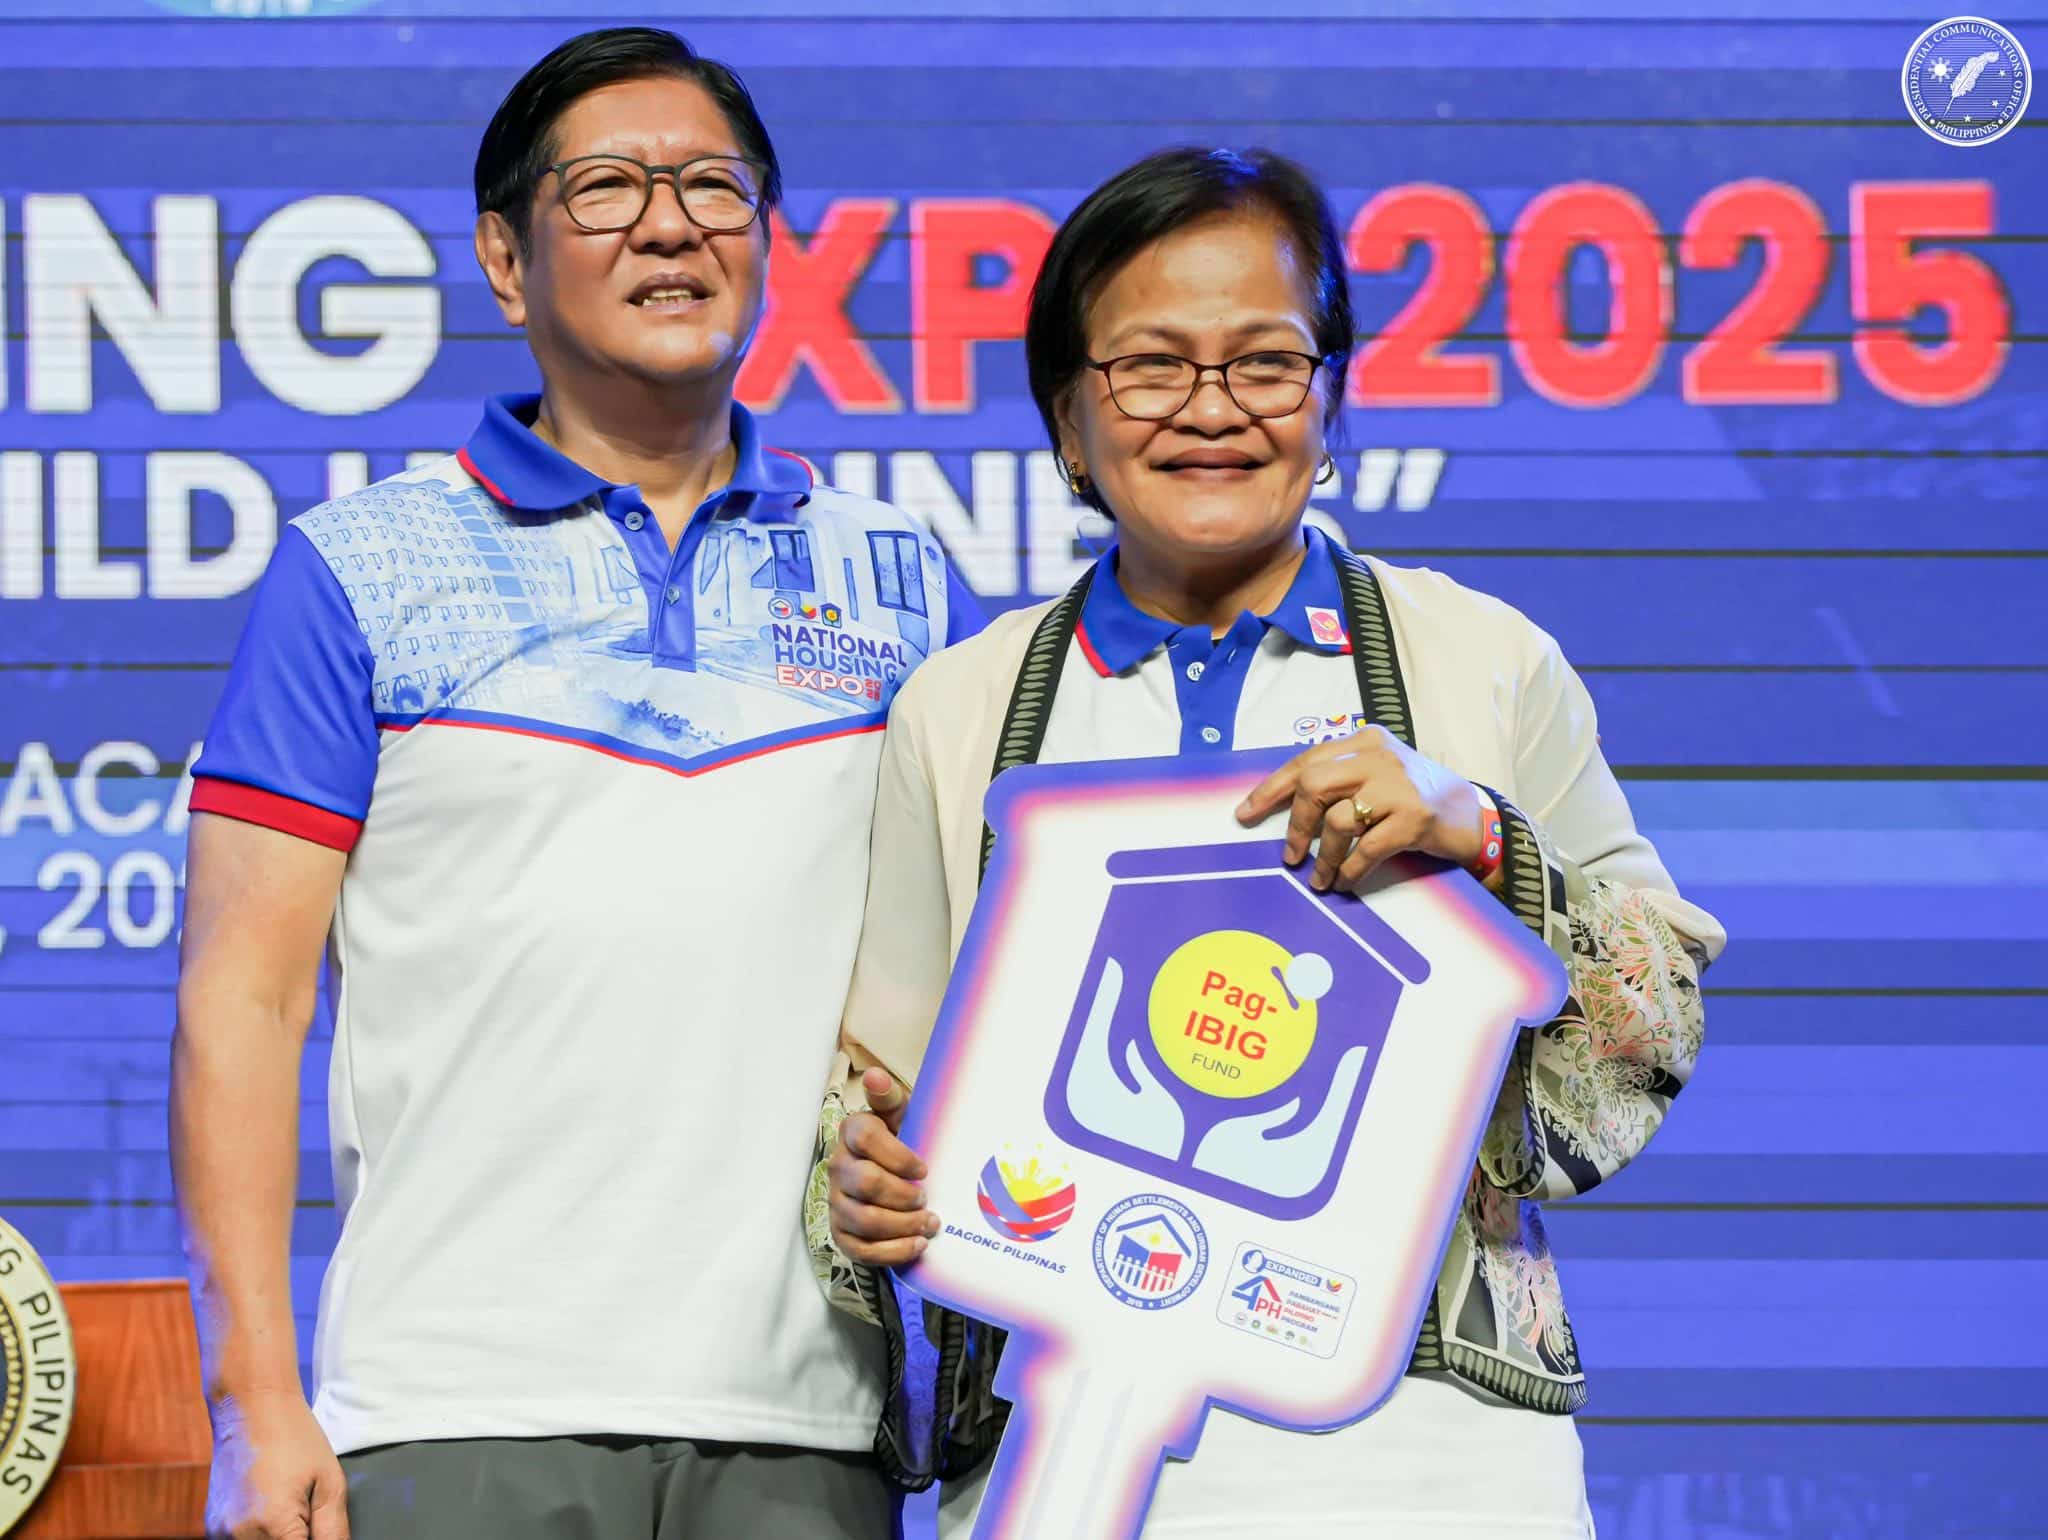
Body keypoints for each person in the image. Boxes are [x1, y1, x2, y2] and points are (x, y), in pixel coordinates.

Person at [813, 146, 1724, 1537]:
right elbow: (876, 1085)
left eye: (1266, 363)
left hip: (1436, 1461)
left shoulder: (1483, 659)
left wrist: (1482, 839)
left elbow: (1651, 1035)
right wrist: (870, 1181)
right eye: (1150, 368)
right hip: (1063, 1467)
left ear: (1332, 397)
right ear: (1067, 419)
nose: (1213, 408)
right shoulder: (963, 706)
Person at [171, 27, 975, 1540]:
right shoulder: (360, 567)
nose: (670, 226)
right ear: (505, 259)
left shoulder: (901, 579)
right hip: (452, 1410)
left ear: (769, 239)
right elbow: (244, 1002)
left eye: (714, 188)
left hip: (808, 1421)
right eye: (606, 188)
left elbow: (982, 971)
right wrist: (252, 1398)